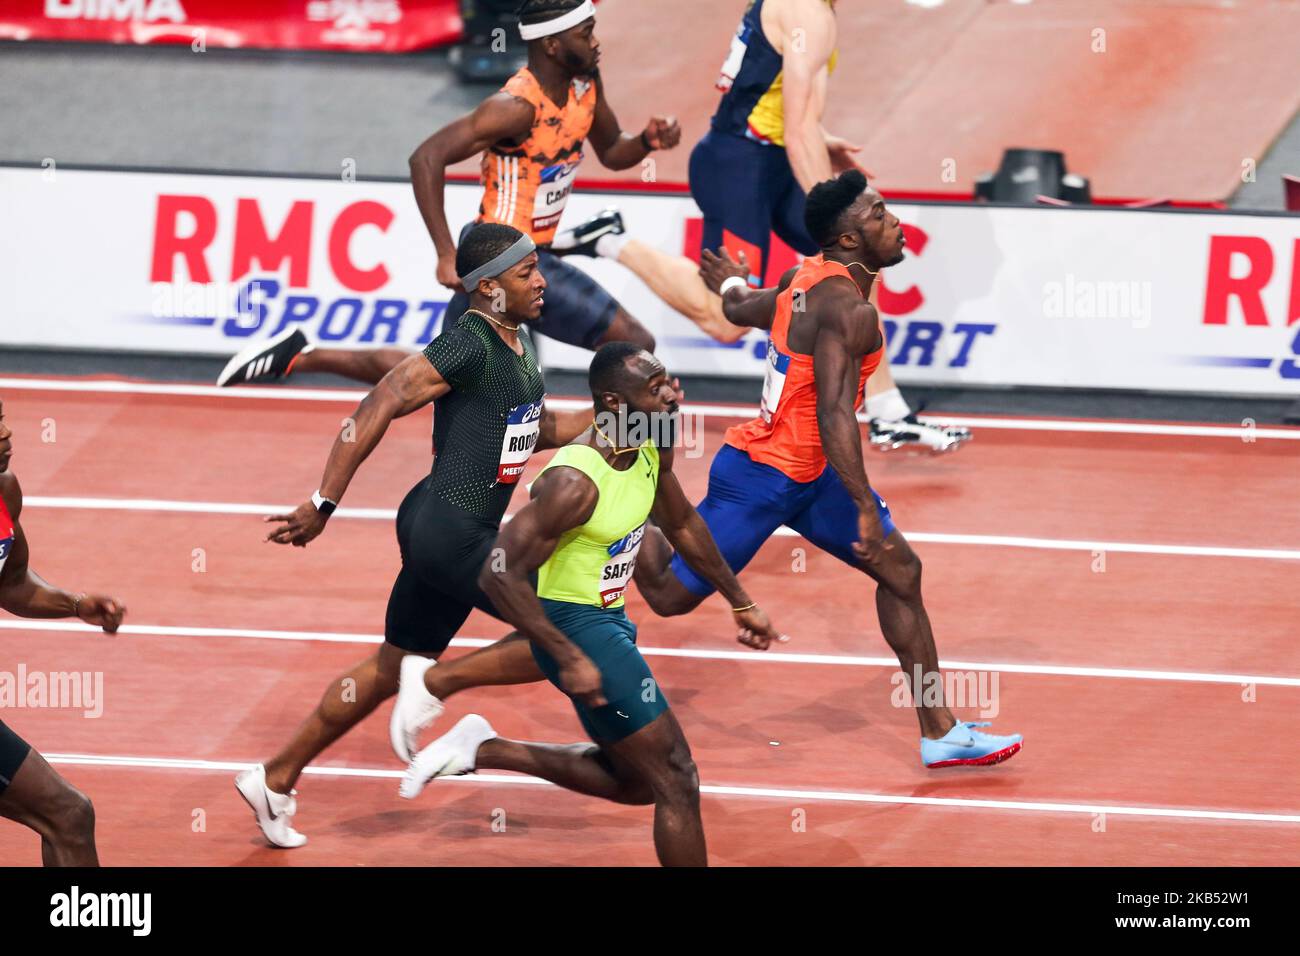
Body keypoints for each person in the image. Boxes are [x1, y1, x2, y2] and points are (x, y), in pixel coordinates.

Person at [391, 173, 1021, 770]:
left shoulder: (811, 276)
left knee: (901, 570)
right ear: (850, 238)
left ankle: (938, 732)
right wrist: (861, 502)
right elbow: (835, 414)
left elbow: (749, 308)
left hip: (815, 477)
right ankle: (586, 527)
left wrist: (728, 289)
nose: (896, 223)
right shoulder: (848, 311)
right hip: (766, 478)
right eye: (880, 215)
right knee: (666, 595)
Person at [234, 223, 593, 848]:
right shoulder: (469, 343)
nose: (541, 281)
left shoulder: (514, 340)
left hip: (454, 527)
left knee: (389, 665)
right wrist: (324, 500)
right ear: (487, 288)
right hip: (448, 531)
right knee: (565, 628)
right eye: (526, 272)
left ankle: (275, 776)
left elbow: (529, 429)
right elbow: (379, 401)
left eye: (539, 268)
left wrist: (625, 412)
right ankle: (440, 690)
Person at [397, 342, 784, 867]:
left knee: (635, 783)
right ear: (614, 403)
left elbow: (684, 523)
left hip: (610, 622)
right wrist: (567, 653)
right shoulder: (574, 481)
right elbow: (499, 571)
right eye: (656, 391)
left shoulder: (651, 439)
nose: (672, 396)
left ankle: (483, 747)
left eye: (668, 380)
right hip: (577, 627)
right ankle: (441, 686)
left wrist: (741, 601)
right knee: (677, 775)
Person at [566, 0, 970, 452]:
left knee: (861, 260)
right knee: (726, 320)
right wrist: (838, 210)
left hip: (771, 159)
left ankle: (887, 412)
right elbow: (797, 130)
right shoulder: (808, 14)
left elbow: (775, 101)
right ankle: (611, 240)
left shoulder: (816, 9)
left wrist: (822, 139)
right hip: (738, 169)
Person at [217, 0, 681, 390]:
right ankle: (613, 452)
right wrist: (445, 254)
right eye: (587, 33)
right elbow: (426, 158)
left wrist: (647, 141)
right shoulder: (515, 108)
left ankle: (302, 355)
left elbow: (614, 152)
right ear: (553, 45)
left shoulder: (586, 86)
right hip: (497, 258)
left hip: (530, 257)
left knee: (437, 378)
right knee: (631, 347)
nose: (596, 41)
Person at [0, 398, 127, 866]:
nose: (6, 433)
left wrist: (75, 605)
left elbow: (12, 583)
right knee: (67, 813)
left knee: (70, 816)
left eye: (1, 416)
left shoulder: (3, 491)